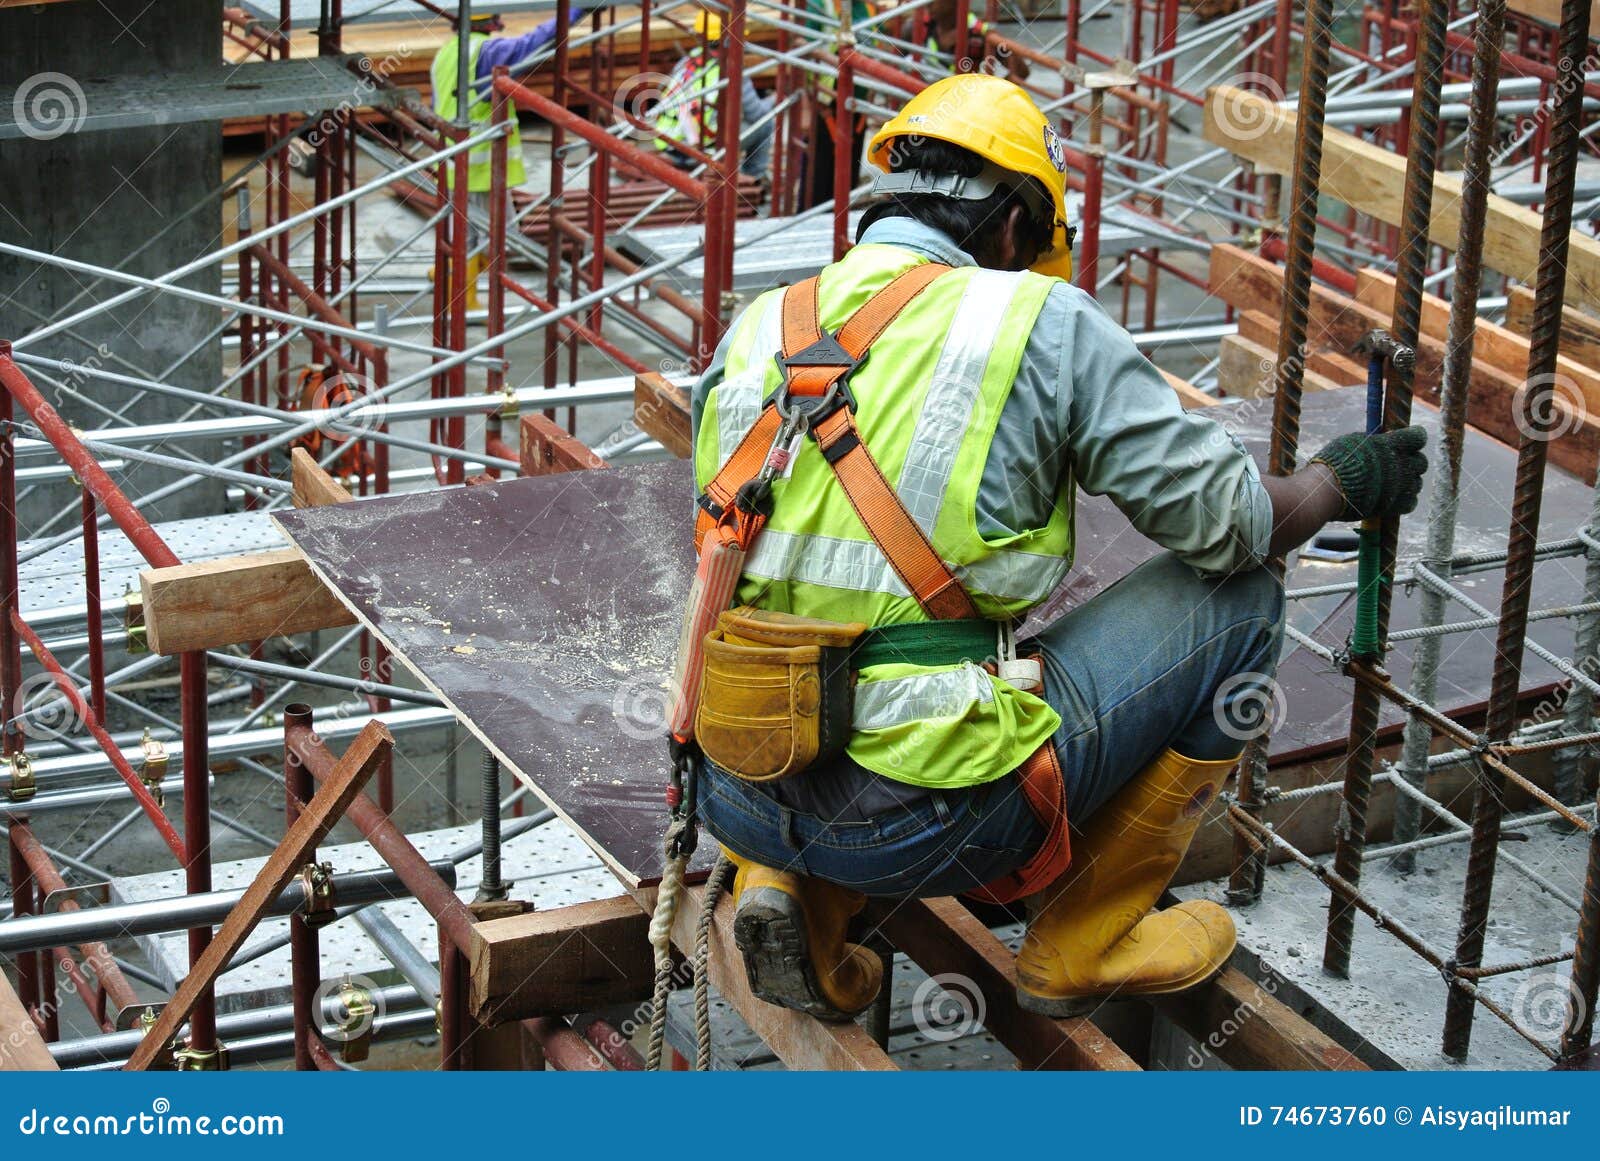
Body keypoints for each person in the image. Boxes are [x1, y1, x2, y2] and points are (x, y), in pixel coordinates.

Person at [685, 75, 1428, 1021]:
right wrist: (1336, 481)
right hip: (934, 821)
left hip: (739, 782)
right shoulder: (1037, 321)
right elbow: (1230, 524)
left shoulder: (761, 324)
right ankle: (1082, 936)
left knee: (857, 643)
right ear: (1010, 228)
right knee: (1238, 601)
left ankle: (789, 888)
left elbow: (726, 555)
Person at [429, 10, 575, 310]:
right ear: (489, 23)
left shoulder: (447, 51)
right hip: (479, 166)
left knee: (466, 230)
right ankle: (462, 296)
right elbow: (532, 45)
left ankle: (448, 273)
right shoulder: (485, 52)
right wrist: (575, 10)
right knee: (490, 235)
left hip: (454, 160)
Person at [652, 10, 774, 182]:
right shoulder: (732, 70)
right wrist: (776, 99)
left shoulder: (687, 62)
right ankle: (754, 179)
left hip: (667, 144)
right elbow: (757, 114)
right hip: (698, 152)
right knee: (766, 124)